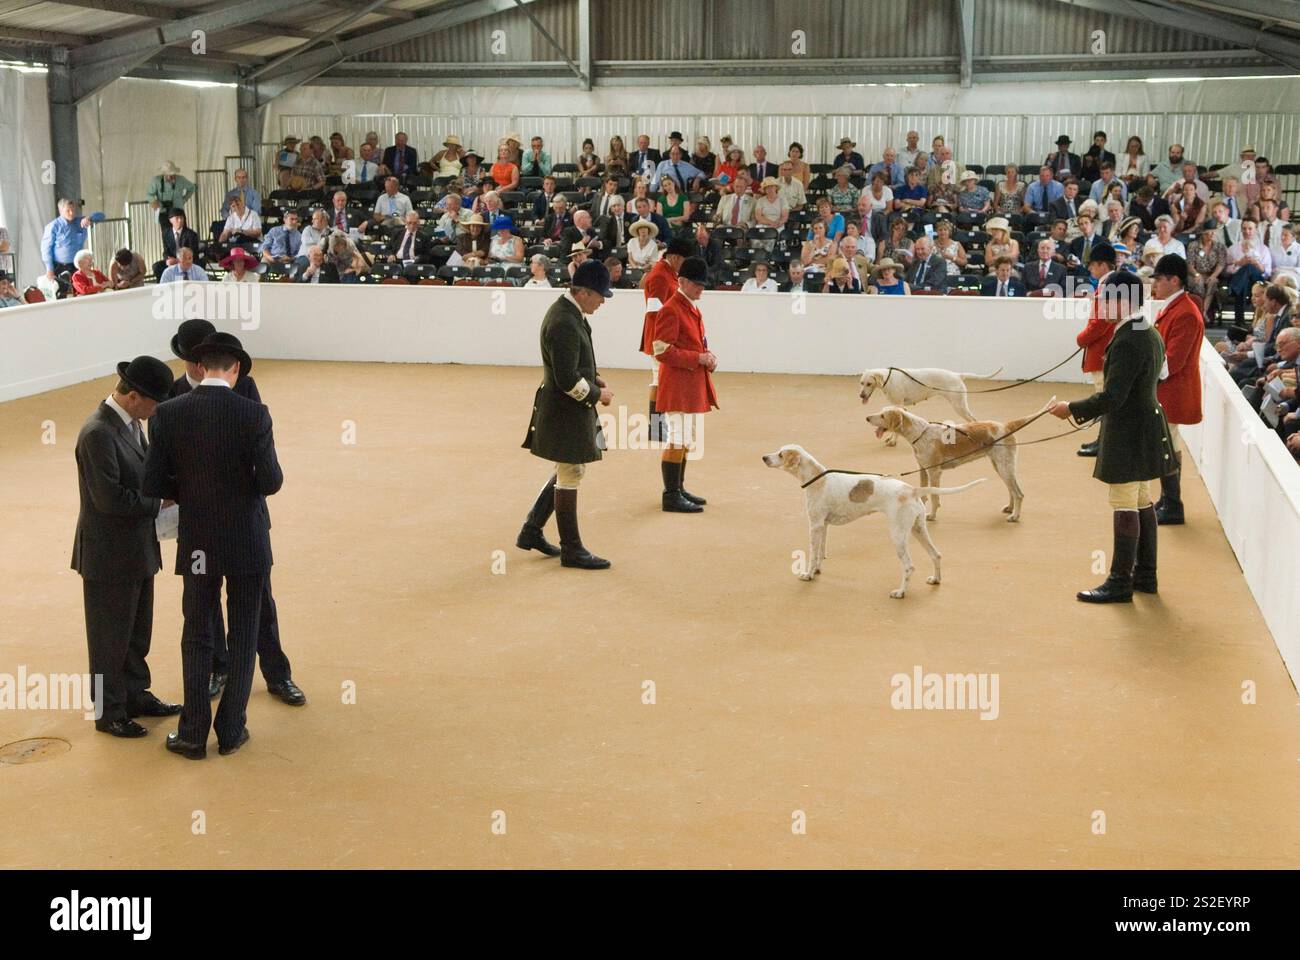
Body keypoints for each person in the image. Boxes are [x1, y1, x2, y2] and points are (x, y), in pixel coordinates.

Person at [143, 332, 285, 759]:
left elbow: (153, 483)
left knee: (197, 633)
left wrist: (190, 486)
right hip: (246, 540)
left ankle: (191, 734)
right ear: (236, 369)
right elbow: (271, 481)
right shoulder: (254, 413)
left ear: (200, 367)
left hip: (199, 542)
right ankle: (231, 729)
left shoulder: (167, 414)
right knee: (243, 635)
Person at [166, 321, 304, 705]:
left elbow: (263, 456)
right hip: (199, 524)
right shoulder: (172, 396)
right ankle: (218, 668)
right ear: (193, 362)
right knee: (204, 604)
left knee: (260, 603)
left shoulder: (244, 390)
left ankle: (277, 673)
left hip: (243, 521)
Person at [73, 355, 182, 738]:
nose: (157, 411)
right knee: (109, 640)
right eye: (154, 402)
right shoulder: (98, 433)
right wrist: (160, 502)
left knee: (137, 632)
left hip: (136, 548)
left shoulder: (131, 425)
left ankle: (135, 694)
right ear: (134, 396)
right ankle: (109, 713)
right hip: (109, 555)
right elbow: (110, 500)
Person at [1050, 272, 1174, 603]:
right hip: (1146, 425)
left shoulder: (1129, 339)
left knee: (1125, 504)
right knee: (1141, 500)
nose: (1100, 303)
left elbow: (1112, 397)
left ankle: (1120, 581)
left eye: (1106, 297)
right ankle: (1145, 575)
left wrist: (1070, 408)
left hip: (1130, 430)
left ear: (1124, 301)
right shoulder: (1145, 331)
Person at [517, 260, 616, 569]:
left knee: (567, 468)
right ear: (584, 292)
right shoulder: (564, 320)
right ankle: (571, 548)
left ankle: (532, 529)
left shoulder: (571, 313)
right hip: (566, 408)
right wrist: (600, 395)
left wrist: (594, 376)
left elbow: (575, 363)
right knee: (571, 471)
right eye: (600, 295)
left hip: (567, 407)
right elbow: (566, 379)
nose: (602, 301)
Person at [652, 256, 718, 512]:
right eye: (697, 284)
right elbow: (661, 350)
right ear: (682, 282)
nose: (702, 288)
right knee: (678, 438)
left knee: (686, 437)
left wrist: (708, 356)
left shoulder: (689, 306)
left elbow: (697, 342)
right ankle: (671, 494)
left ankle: (678, 489)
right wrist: (698, 358)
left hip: (688, 382)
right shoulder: (672, 308)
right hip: (678, 383)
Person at [1148, 255, 1204, 526]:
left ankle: (1173, 504)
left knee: (1166, 444)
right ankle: (1168, 500)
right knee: (1168, 443)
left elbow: (1172, 362)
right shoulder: (1176, 307)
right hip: (1169, 389)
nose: (1155, 284)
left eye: (1159, 279)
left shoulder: (1185, 313)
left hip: (1174, 390)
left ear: (1174, 280)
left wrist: (1142, 372)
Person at [639, 235, 697, 445]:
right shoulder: (660, 276)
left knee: (658, 379)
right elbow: (655, 312)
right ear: (674, 257)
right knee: (658, 379)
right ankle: (655, 428)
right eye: (684, 260)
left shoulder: (667, 273)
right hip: (659, 338)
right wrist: (661, 344)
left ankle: (656, 427)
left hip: (660, 337)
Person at [1074, 241, 1118, 456]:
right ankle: (1102, 441)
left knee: (1103, 398)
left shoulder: (1106, 286)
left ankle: (1104, 444)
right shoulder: (1109, 284)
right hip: (1105, 349)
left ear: (1102, 265)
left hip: (1103, 351)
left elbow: (1100, 323)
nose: (1090, 269)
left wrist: (1082, 338)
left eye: (1092, 265)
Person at [42, 199, 91, 293]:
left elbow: (101, 216)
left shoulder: (80, 221)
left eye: (73, 210)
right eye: (68, 211)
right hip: (60, 266)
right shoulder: (53, 226)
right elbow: (46, 249)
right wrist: (49, 269)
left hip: (78, 265)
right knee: (62, 293)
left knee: (80, 291)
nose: (71, 213)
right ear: (60, 211)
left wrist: (90, 218)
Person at [147, 161, 196, 236]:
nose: (170, 177)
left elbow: (192, 188)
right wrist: (153, 201)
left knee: (183, 234)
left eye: (172, 174)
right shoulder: (156, 181)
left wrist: (184, 199)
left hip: (178, 211)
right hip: (163, 211)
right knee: (167, 235)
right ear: (163, 173)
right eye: (167, 175)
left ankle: (182, 247)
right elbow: (149, 194)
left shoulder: (181, 180)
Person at [155, 208, 200, 281]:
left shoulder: (191, 234)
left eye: (181, 218)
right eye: (177, 218)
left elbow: (194, 253)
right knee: (157, 267)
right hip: (172, 261)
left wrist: (178, 260)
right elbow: (166, 251)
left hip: (187, 261)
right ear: (170, 220)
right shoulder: (166, 234)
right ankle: (163, 287)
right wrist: (167, 260)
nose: (180, 220)